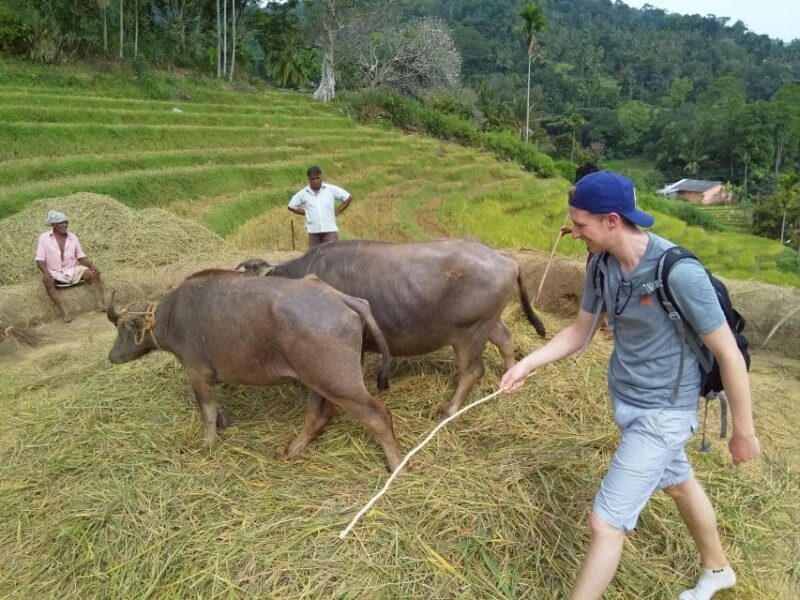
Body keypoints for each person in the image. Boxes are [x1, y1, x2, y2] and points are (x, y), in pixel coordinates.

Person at [501, 171, 760, 600]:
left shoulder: (677, 273)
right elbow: (580, 331)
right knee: (678, 483)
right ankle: (718, 569)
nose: (573, 232)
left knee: (605, 523)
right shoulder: (601, 265)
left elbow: (729, 354)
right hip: (627, 399)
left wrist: (744, 431)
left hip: (664, 414)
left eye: (580, 224)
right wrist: (528, 363)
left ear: (612, 221)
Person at [35, 210, 106, 323]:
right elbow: (39, 259)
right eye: (60, 223)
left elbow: (80, 256)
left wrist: (91, 266)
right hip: (54, 272)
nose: (64, 225)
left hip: (72, 269)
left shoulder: (72, 237)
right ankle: (65, 312)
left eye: (65, 222)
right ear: (53, 225)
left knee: (92, 274)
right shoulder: (44, 238)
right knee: (48, 282)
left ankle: (100, 304)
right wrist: (46, 272)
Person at [288, 166, 353, 248]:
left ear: (321, 177)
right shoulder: (303, 193)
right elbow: (291, 206)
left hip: (330, 229)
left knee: (332, 254)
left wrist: (337, 212)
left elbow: (348, 197)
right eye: (312, 179)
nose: (315, 181)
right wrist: (306, 213)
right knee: (314, 257)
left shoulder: (330, 189)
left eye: (317, 178)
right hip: (313, 231)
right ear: (308, 179)